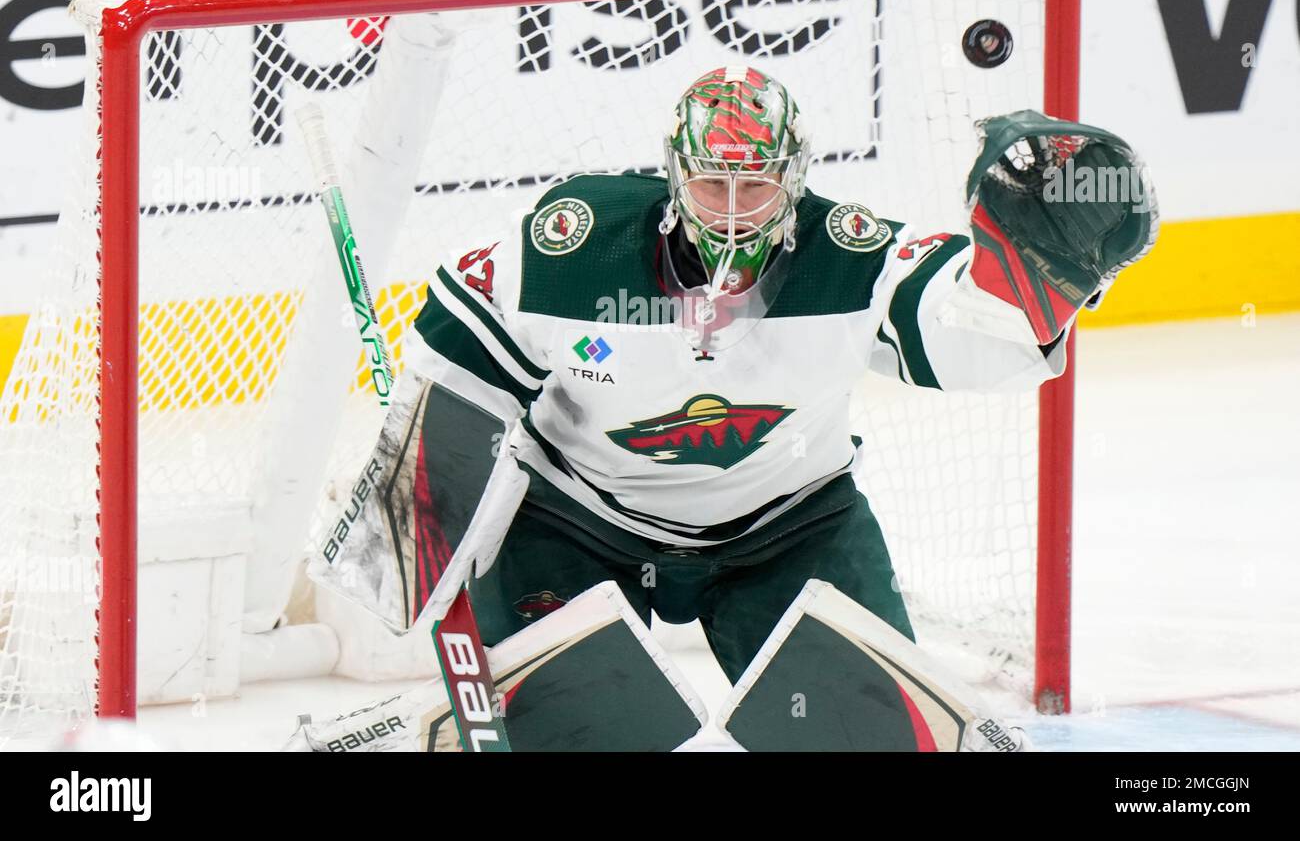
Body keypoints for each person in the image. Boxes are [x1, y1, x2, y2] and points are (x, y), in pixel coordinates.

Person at [403, 64, 1155, 686]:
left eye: (755, 187)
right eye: (712, 186)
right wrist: (422, 520)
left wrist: (1046, 270)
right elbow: (451, 361)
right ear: (675, 177)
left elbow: (965, 329)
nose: (733, 215)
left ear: (793, 181)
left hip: (790, 528)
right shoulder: (573, 244)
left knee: (867, 737)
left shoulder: (849, 257)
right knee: (574, 730)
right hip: (579, 523)